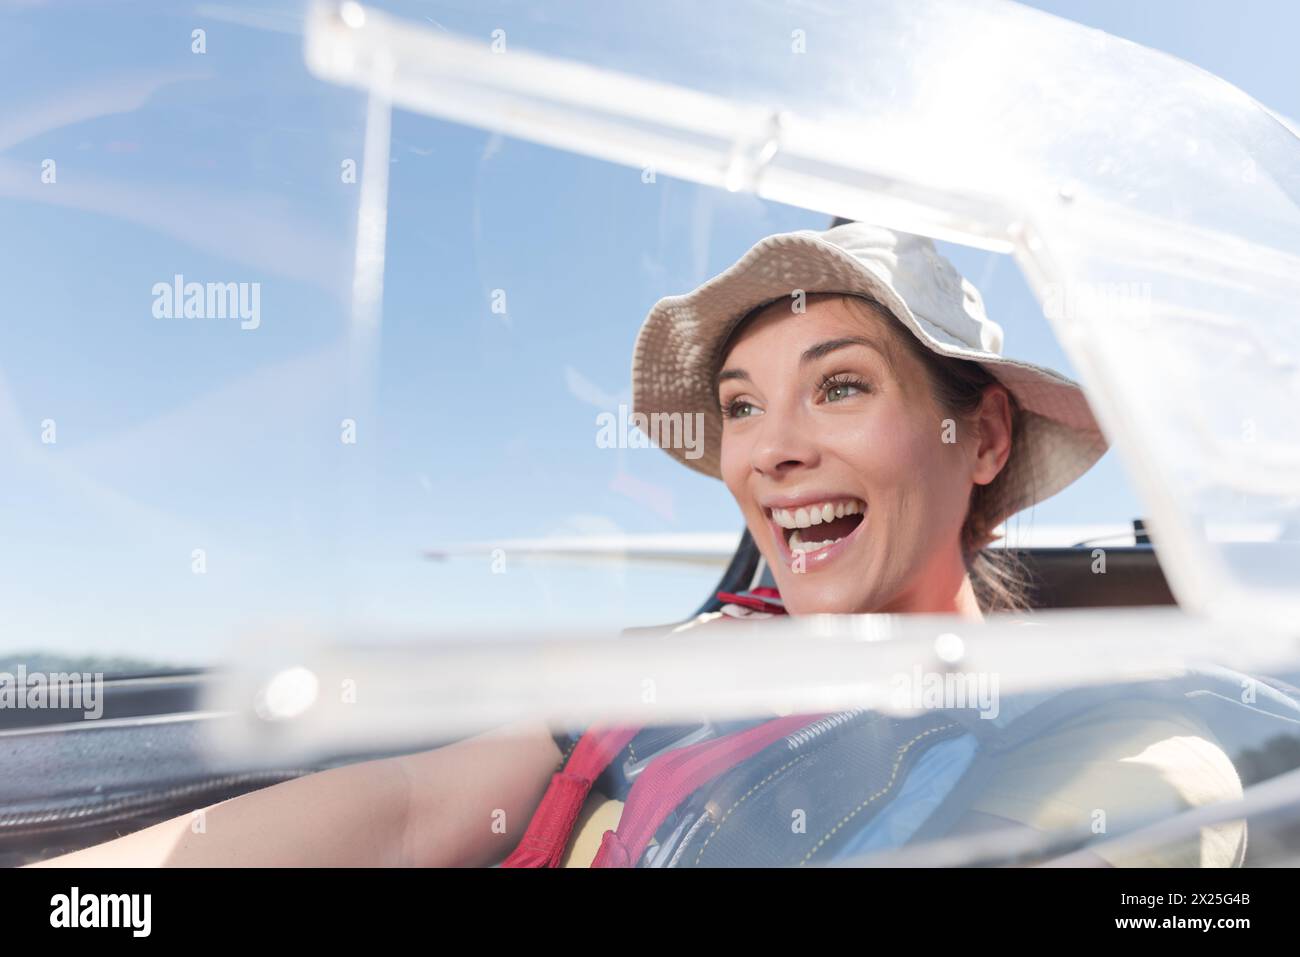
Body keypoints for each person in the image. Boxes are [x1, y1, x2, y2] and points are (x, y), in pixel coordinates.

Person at [30, 223, 1245, 868]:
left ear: (977, 437)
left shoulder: (1091, 744)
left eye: (837, 389)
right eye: (738, 405)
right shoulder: (684, 663)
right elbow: (408, 811)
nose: (767, 452)